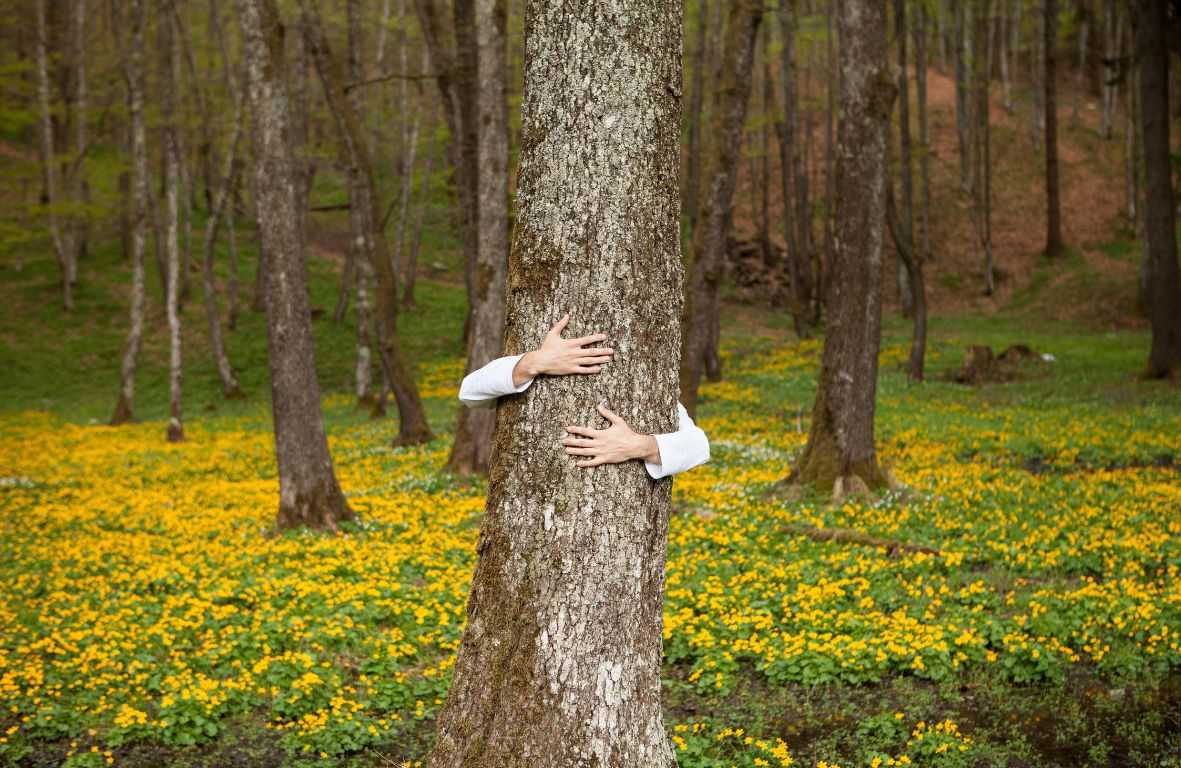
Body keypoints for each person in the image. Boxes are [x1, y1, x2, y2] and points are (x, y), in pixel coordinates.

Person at [458, 314, 710, 479]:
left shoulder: (651, 390)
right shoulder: (533, 364)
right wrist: (535, 361)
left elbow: (699, 446)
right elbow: (470, 391)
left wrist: (638, 446)